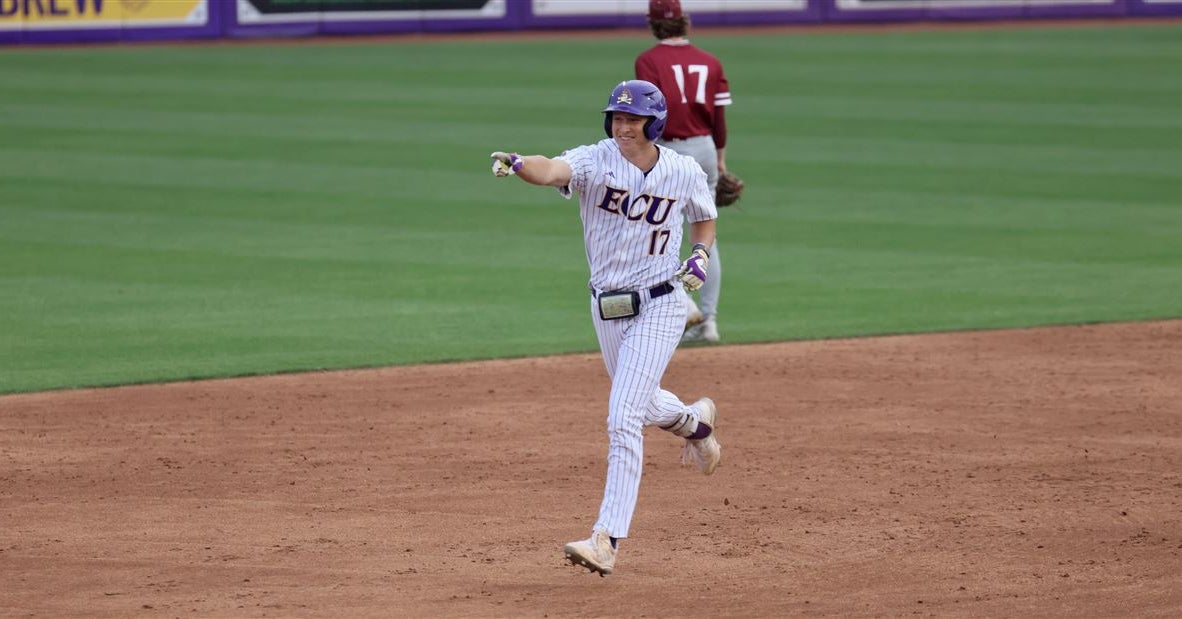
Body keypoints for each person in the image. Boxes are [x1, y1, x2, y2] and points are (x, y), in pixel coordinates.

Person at [489, 79, 722, 577]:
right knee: (638, 398)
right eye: (616, 117)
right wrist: (519, 163)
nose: (621, 126)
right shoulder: (596, 160)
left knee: (622, 417)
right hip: (608, 308)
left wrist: (699, 256)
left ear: (653, 124)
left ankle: (606, 539)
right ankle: (695, 423)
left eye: (631, 119)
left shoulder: (682, 170)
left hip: (663, 303)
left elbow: (704, 220)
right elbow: (553, 168)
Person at [635, 0, 733, 343]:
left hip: (668, 151)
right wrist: (719, 160)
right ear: (684, 22)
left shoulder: (648, 61)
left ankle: (686, 306)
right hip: (705, 147)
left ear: (653, 24)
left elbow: (648, 115)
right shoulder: (710, 61)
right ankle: (709, 321)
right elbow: (719, 121)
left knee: (653, 228)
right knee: (705, 232)